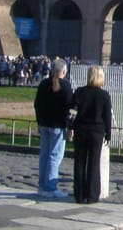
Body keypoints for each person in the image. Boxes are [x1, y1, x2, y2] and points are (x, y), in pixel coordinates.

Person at [70, 65, 112, 204]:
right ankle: (93, 195)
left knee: (80, 162)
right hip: (97, 132)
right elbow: (107, 117)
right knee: (94, 164)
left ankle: (79, 194)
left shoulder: (79, 92)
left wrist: (70, 127)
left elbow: (72, 112)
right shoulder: (104, 95)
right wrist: (108, 134)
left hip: (81, 130)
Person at [33, 58, 72, 198]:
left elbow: (37, 104)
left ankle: (42, 186)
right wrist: (70, 127)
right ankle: (50, 187)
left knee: (44, 155)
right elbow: (69, 110)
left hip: (44, 123)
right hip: (58, 126)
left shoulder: (43, 84)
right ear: (64, 71)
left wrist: (38, 122)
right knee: (55, 156)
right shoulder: (66, 86)